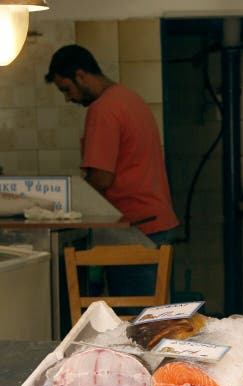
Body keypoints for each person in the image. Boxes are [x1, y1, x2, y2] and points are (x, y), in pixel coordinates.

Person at [45, 45, 179, 297]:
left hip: (134, 228)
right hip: (155, 222)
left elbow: (101, 178)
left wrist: (66, 207)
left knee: (139, 322)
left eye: (66, 88)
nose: (68, 98)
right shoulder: (128, 98)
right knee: (158, 315)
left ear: (81, 75)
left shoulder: (103, 109)